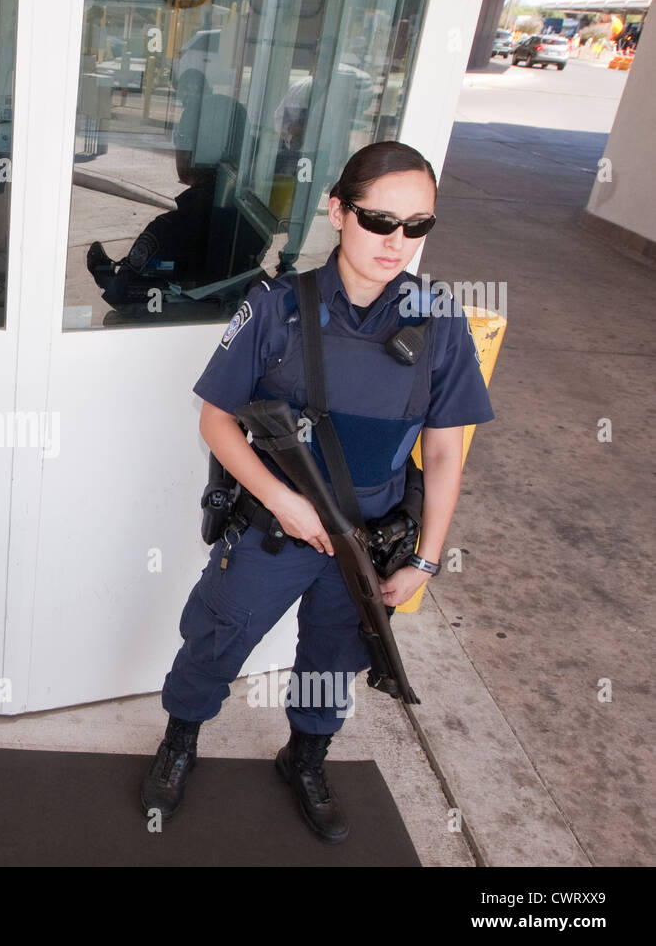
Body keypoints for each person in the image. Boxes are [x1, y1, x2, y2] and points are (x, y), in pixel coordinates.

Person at [140, 141, 494, 844]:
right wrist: (280, 497)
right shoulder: (277, 307)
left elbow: (447, 448)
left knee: (334, 659)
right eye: (380, 220)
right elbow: (217, 421)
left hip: (369, 539)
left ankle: (305, 755)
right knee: (217, 637)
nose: (398, 243)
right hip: (276, 529)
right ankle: (180, 739)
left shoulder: (441, 319)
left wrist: (423, 558)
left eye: (418, 226)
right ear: (337, 210)